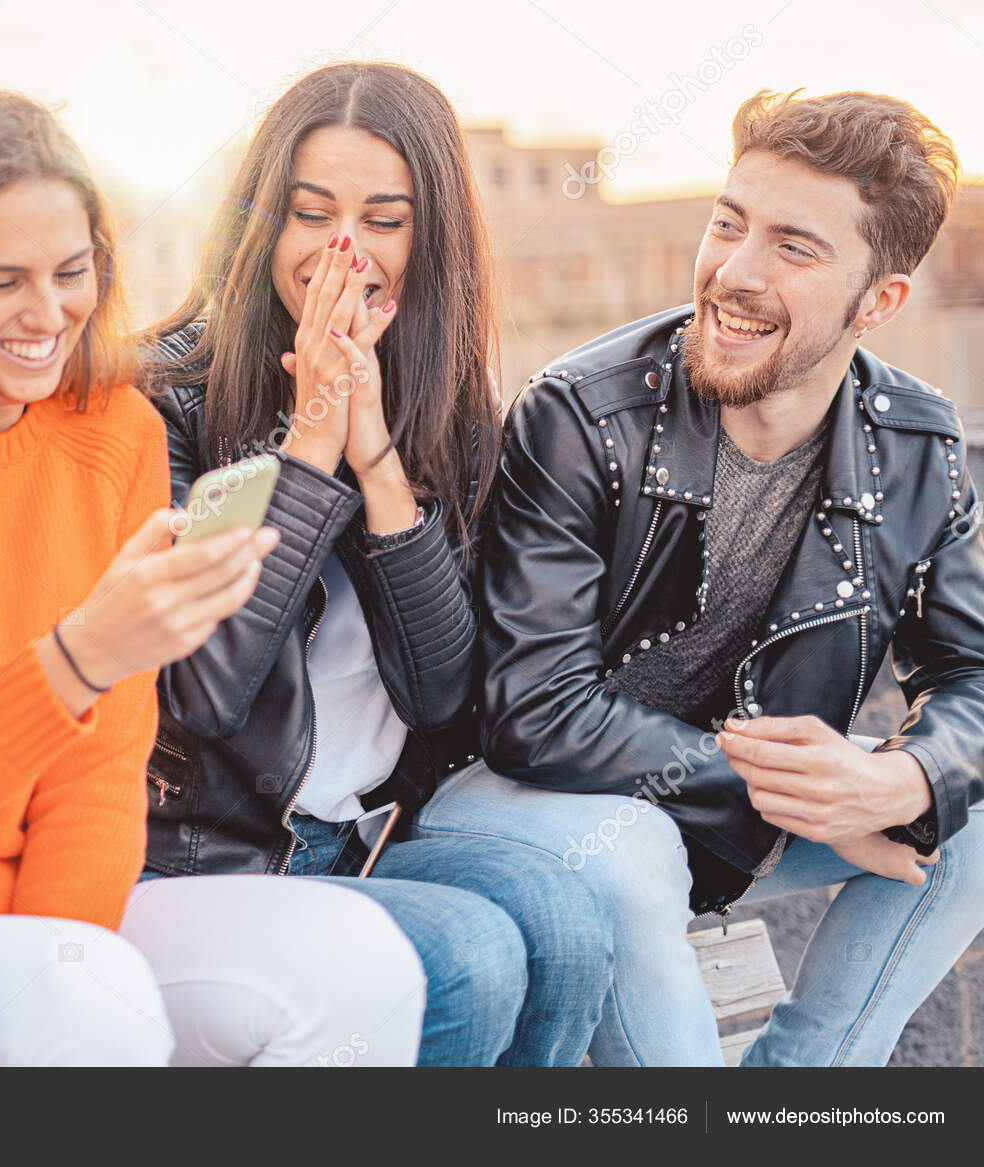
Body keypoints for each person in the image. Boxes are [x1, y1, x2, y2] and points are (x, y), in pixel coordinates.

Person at [0, 86, 445, 1067]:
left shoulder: (110, 429)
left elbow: (103, 769)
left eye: (71, 272)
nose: (48, 315)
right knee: (84, 1008)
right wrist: (73, 661)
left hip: (64, 909)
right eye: (0, 282)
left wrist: (67, 947)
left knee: (364, 970)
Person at [438, 88, 984, 1065]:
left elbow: (973, 676)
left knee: (968, 815)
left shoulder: (917, 441)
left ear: (880, 301)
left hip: (725, 825)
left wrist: (894, 780)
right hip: (515, 805)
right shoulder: (582, 413)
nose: (732, 273)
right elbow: (531, 714)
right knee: (634, 848)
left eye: (793, 247)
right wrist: (793, 800)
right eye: (728, 224)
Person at [130, 61, 613, 1066]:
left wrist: (376, 459)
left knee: (564, 927)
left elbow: (439, 693)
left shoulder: (450, 418)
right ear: (263, 225)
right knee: (471, 956)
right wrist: (306, 447)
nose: (343, 248)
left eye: (383, 219)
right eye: (311, 214)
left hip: (366, 841)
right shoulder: (167, 403)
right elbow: (205, 686)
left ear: (428, 240)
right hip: (202, 862)